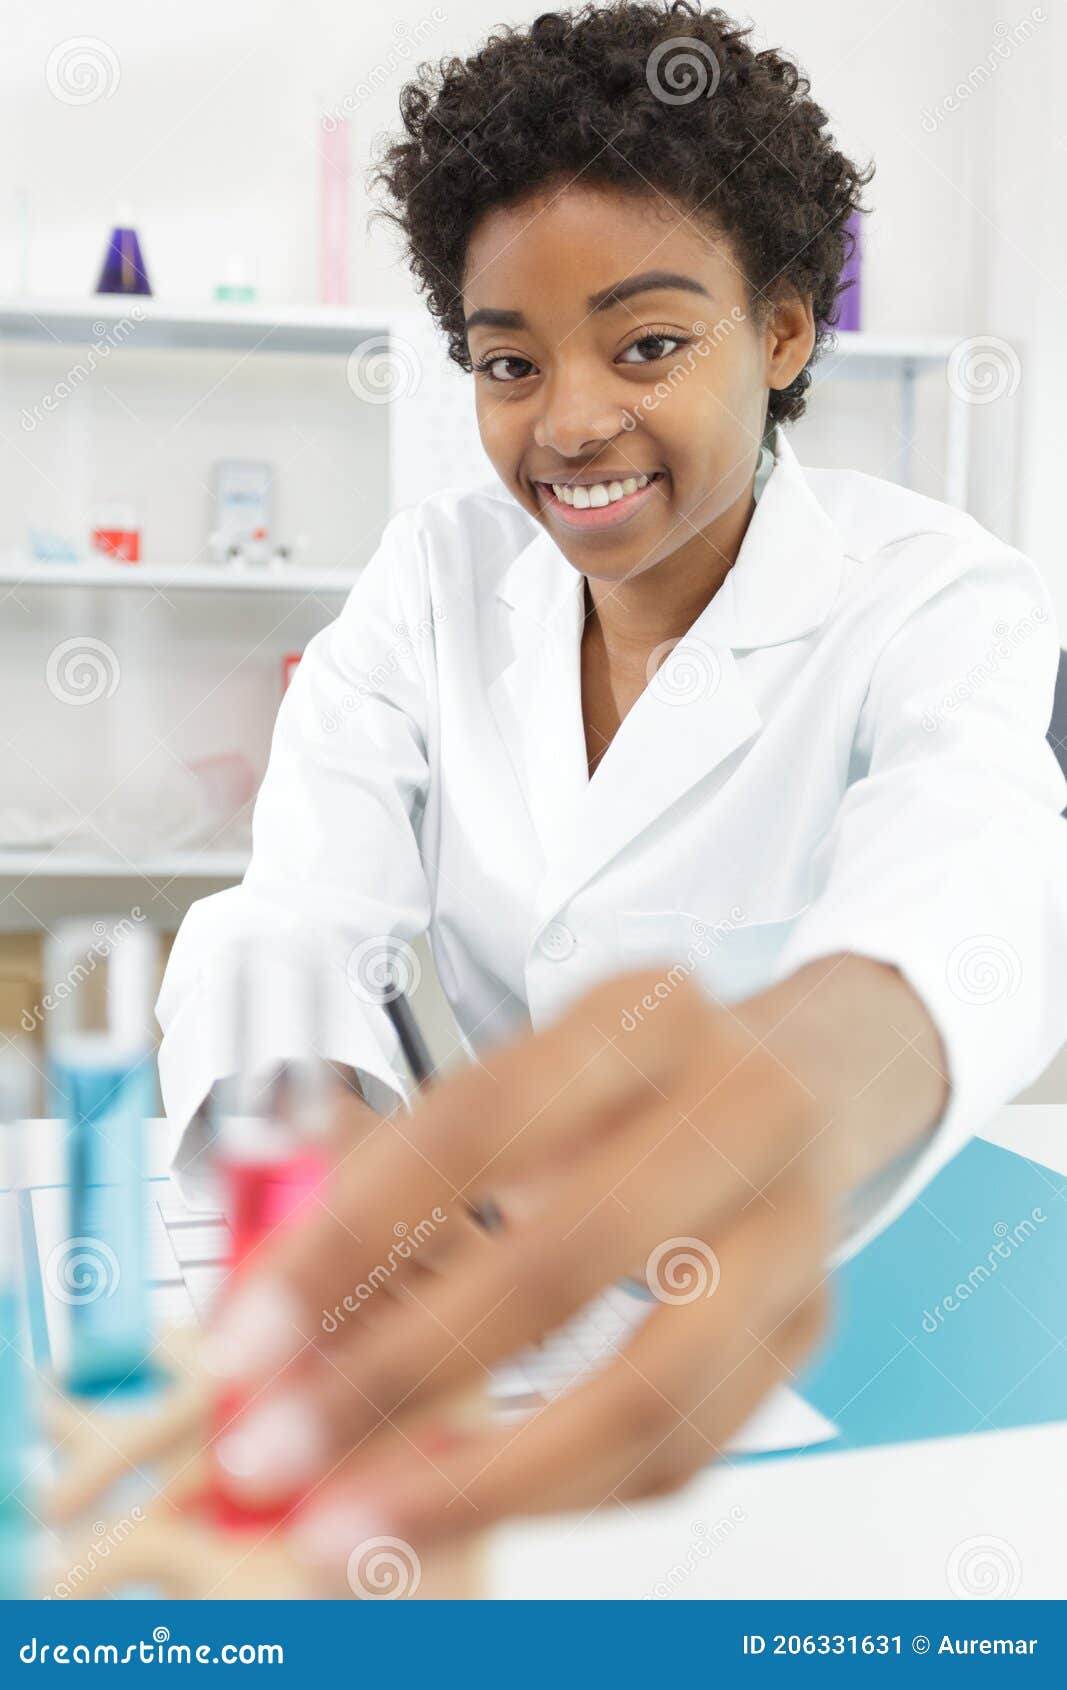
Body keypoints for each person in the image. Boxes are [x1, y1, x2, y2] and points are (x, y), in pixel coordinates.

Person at [155, 0, 1067, 1574]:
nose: (570, 421)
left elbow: (979, 865)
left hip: (827, 1313)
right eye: (509, 361)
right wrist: (348, 1187)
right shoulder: (436, 580)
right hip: (486, 1305)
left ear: (781, 330)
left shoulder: (935, 594)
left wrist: (782, 1093)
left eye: (648, 343)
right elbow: (299, 908)